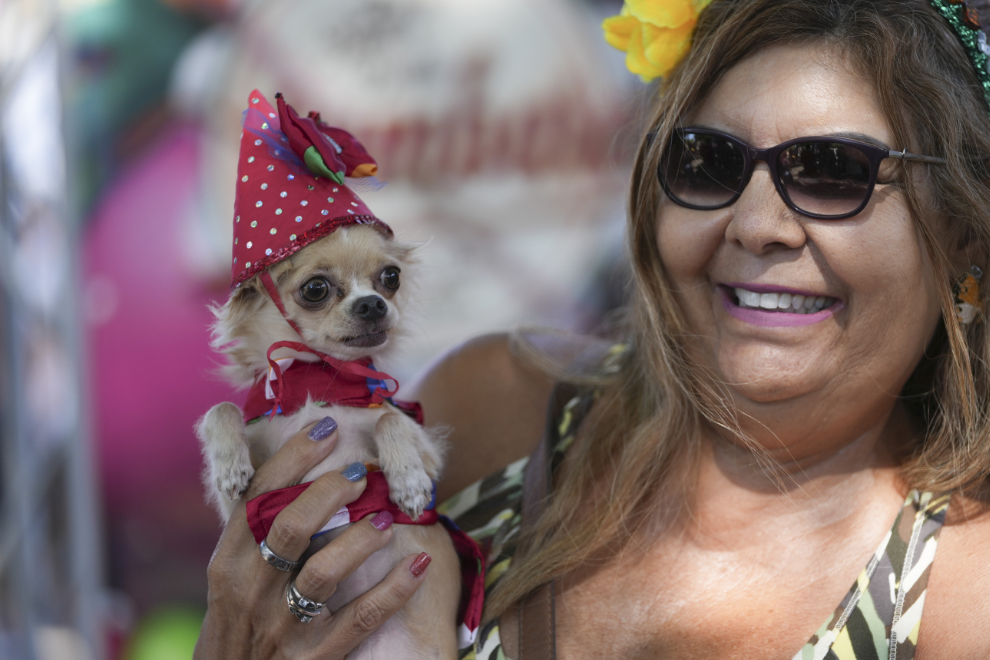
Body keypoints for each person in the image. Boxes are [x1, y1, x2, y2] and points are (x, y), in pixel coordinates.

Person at [193, 0, 990, 658]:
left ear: (961, 232)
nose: (756, 225)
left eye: (831, 172)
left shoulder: (965, 596)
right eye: (707, 161)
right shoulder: (495, 409)